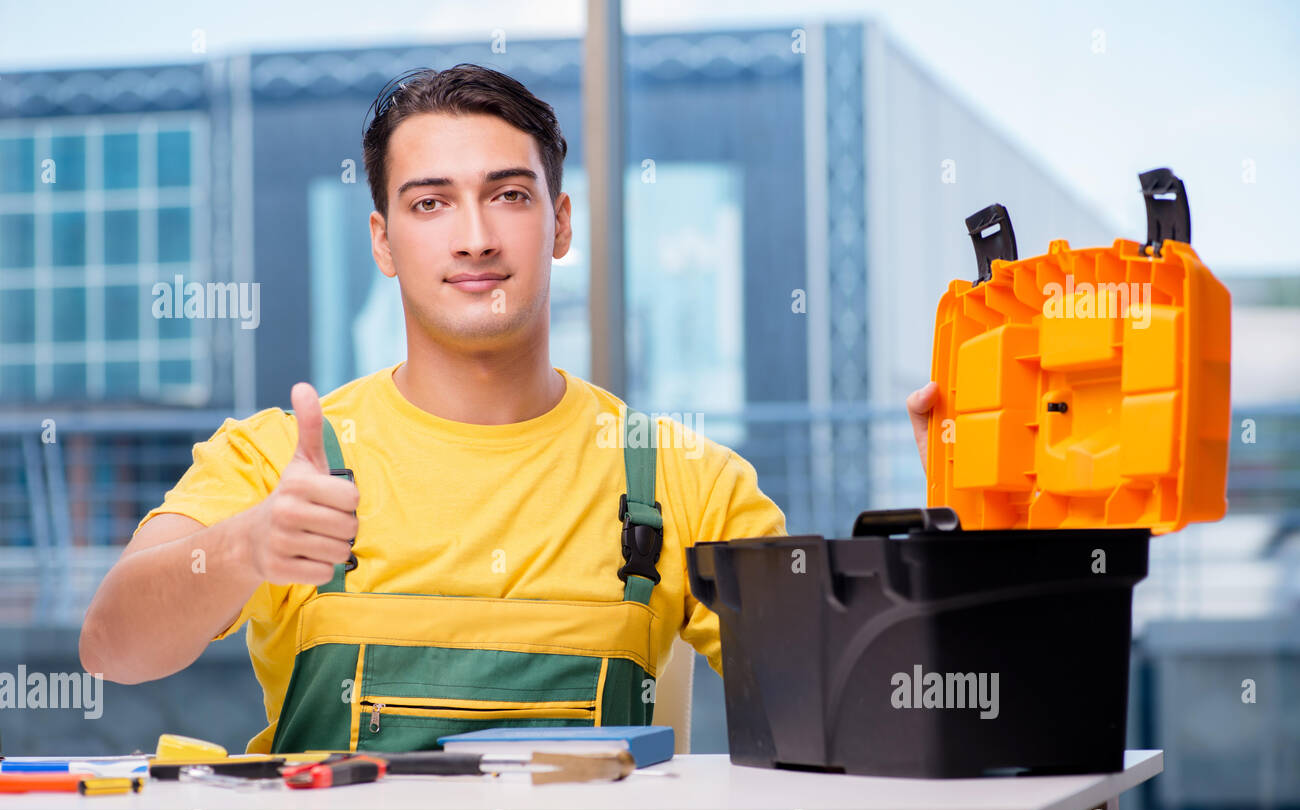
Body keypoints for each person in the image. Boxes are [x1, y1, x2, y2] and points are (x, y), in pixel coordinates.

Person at [80, 63, 935, 754]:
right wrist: (246, 544)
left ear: (560, 224)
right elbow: (111, 647)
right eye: (430, 202)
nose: (475, 236)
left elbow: (850, 701)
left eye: (509, 195)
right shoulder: (282, 460)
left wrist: (953, 519)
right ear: (382, 238)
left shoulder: (682, 477)